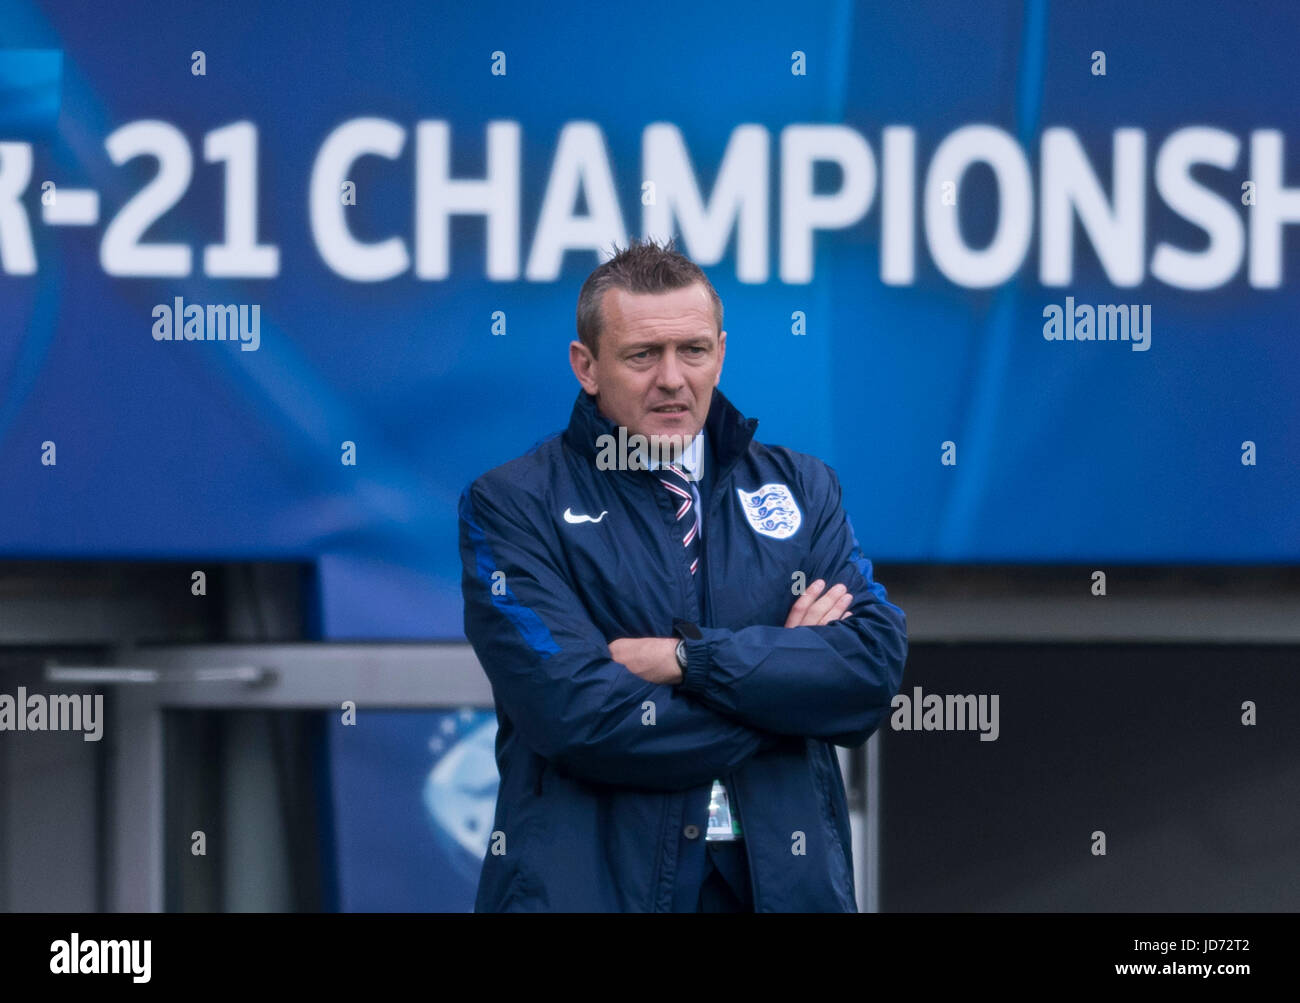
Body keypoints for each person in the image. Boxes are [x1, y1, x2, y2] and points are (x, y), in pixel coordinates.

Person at [458, 236, 907, 911]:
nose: (672, 378)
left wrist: (687, 661)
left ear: (720, 353)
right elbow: (577, 714)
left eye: (693, 350)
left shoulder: (803, 486)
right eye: (643, 355)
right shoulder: (514, 503)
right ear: (586, 366)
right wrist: (787, 693)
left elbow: (870, 669)